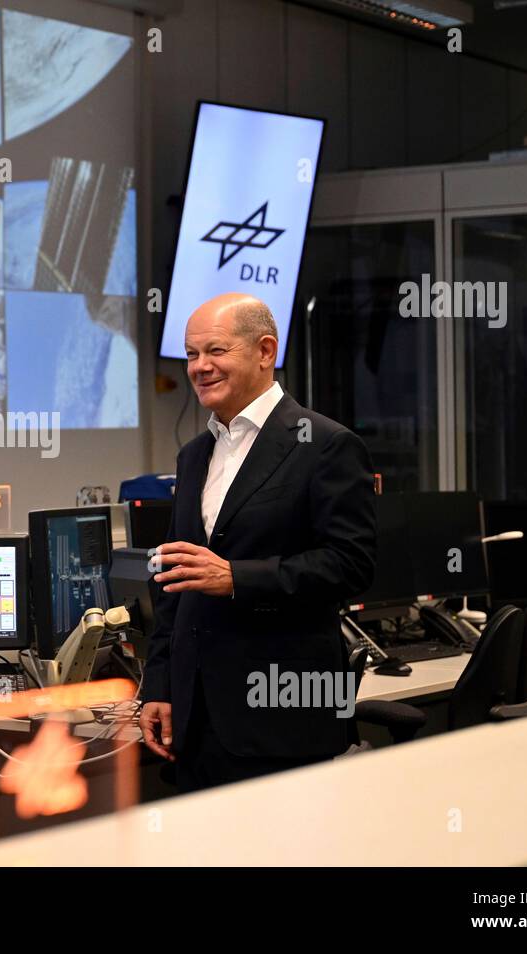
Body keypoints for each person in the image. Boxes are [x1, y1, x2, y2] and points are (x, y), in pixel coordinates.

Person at [138, 293, 376, 791]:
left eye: (216, 351)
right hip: (195, 722)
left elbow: (351, 565)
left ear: (265, 351)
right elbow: (172, 581)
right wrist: (158, 685)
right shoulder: (193, 455)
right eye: (191, 355)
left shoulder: (327, 445)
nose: (200, 367)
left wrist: (236, 579)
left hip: (280, 717)